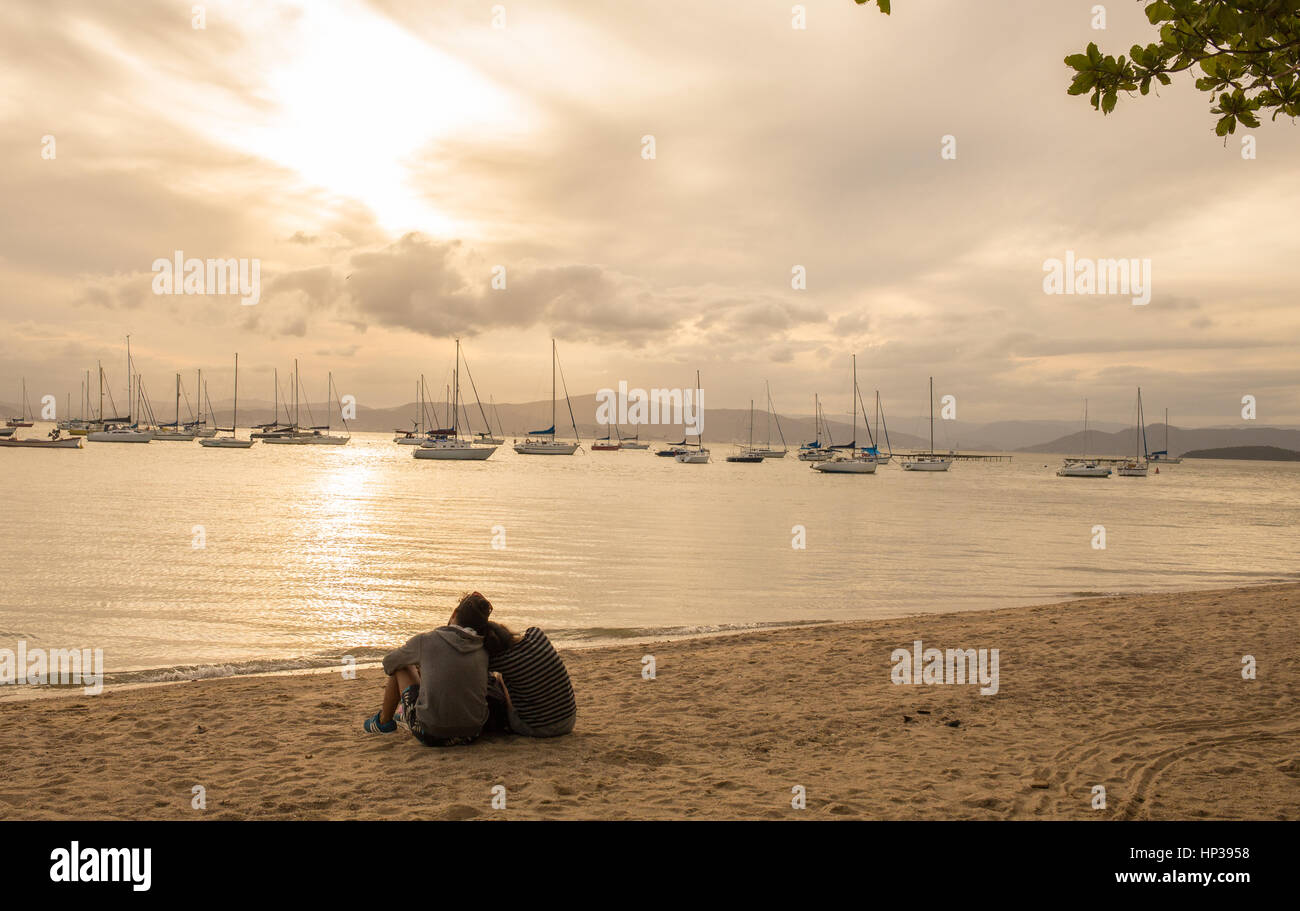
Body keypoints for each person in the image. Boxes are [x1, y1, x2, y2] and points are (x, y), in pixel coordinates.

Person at [363, 592, 492, 746]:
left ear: (454, 614)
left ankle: (383, 723)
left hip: (431, 733)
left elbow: (389, 663)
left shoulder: (427, 640)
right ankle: (402, 714)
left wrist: (419, 664)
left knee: (402, 665)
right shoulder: (484, 648)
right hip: (472, 733)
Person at [482, 620, 577, 737]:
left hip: (537, 728)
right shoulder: (537, 635)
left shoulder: (501, 662)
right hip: (569, 719)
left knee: (500, 679)